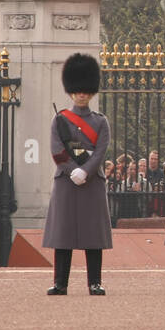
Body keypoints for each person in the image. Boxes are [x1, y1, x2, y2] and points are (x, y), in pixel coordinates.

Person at [42, 53, 112, 295]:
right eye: (78, 90)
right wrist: (73, 171)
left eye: (85, 91)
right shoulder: (60, 120)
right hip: (67, 182)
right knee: (64, 234)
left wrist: (86, 171)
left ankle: (95, 282)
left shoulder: (100, 122)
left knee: (93, 235)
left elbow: (101, 150)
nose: (82, 94)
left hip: (91, 182)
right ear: (71, 91)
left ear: (91, 93)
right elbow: (57, 149)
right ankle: (60, 282)